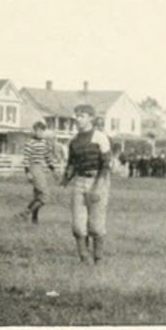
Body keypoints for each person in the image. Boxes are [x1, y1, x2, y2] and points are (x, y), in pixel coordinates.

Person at [60, 104, 112, 264]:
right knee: (78, 225)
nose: (78, 119)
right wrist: (64, 180)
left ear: (90, 118)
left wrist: (98, 187)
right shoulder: (74, 141)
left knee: (96, 226)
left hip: (98, 180)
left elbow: (106, 164)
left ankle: (98, 258)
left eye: (81, 115)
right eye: (76, 115)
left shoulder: (100, 137)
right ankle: (84, 256)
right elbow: (71, 164)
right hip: (79, 182)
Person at [15, 121, 57, 224]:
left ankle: (34, 219)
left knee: (38, 196)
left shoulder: (44, 143)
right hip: (33, 168)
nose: (40, 133)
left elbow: (47, 157)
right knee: (45, 196)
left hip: (40, 168)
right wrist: (27, 172)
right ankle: (25, 213)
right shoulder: (30, 143)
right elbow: (26, 159)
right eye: (37, 130)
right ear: (34, 131)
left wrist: (53, 170)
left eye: (42, 131)